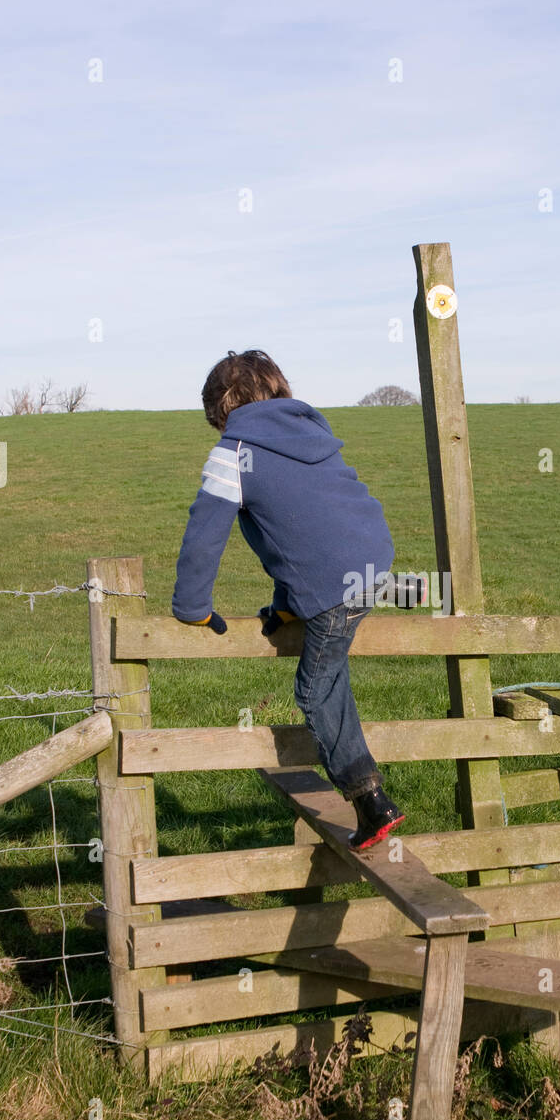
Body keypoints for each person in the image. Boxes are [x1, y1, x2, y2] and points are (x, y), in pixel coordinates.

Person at [171, 348, 404, 850]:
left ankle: (371, 801)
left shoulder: (233, 452)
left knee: (315, 689)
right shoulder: (311, 432)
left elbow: (203, 535)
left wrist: (192, 606)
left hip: (337, 586)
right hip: (371, 560)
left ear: (222, 407)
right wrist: (286, 606)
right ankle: (372, 798)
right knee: (331, 663)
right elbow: (302, 532)